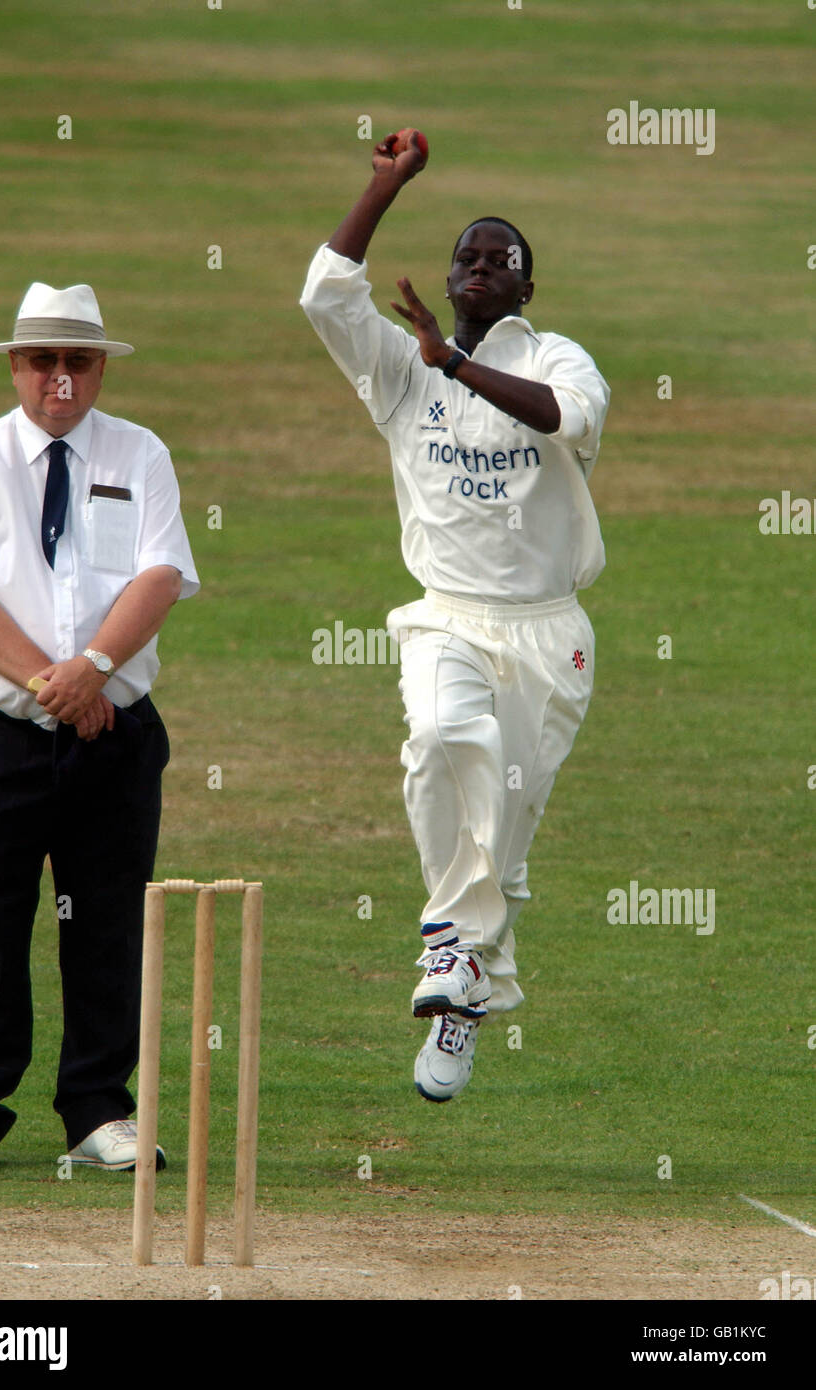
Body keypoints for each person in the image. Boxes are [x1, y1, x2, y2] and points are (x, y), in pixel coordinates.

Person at [300, 133, 610, 1101]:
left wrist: (456, 363)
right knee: (439, 735)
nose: (480, 266)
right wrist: (384, 183)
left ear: (525, 288)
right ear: (445, 276)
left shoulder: (558, 356)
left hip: (546, 630)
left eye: (499, 258)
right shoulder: (399, 370)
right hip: (446, 614)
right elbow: (323, 294)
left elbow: (564, 417)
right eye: (466, 256)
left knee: (504, 832)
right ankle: (453, 948)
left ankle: (471, 983)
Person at [0, 281, 199, 1170]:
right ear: (14, 365)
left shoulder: (141, 454)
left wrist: (96, 672)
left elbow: (159, 576)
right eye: (43, 361)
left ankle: (96, 1112)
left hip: (112, 733)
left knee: (109, 922)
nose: (61, 380)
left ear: (100, 368)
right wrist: (55, 680)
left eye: (78, 361)